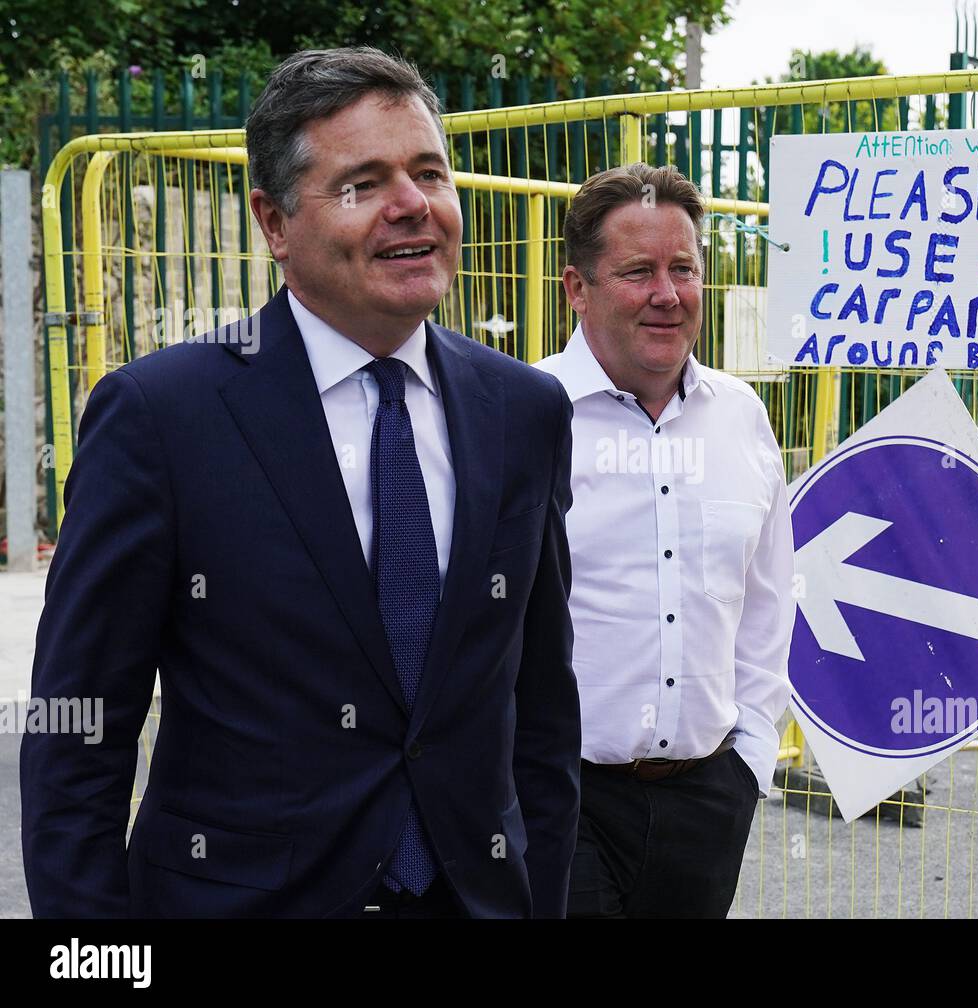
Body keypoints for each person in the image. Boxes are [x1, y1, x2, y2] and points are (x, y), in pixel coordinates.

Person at [20, 47, 581, 919]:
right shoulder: (162, 417)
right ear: (274, 222)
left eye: (429, 172)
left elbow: (540, 714)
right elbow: (77, 731)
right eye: (362, 183)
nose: (412, 205)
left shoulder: (526, 411)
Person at [536, 163, 795, 918]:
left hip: (706, 803)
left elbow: (767, 601)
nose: (667, 293)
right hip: (566, 801)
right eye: (637, 271)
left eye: (683, 268)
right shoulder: (527, 414)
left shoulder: (742, 416)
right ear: (576, 289)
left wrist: (747, 760)